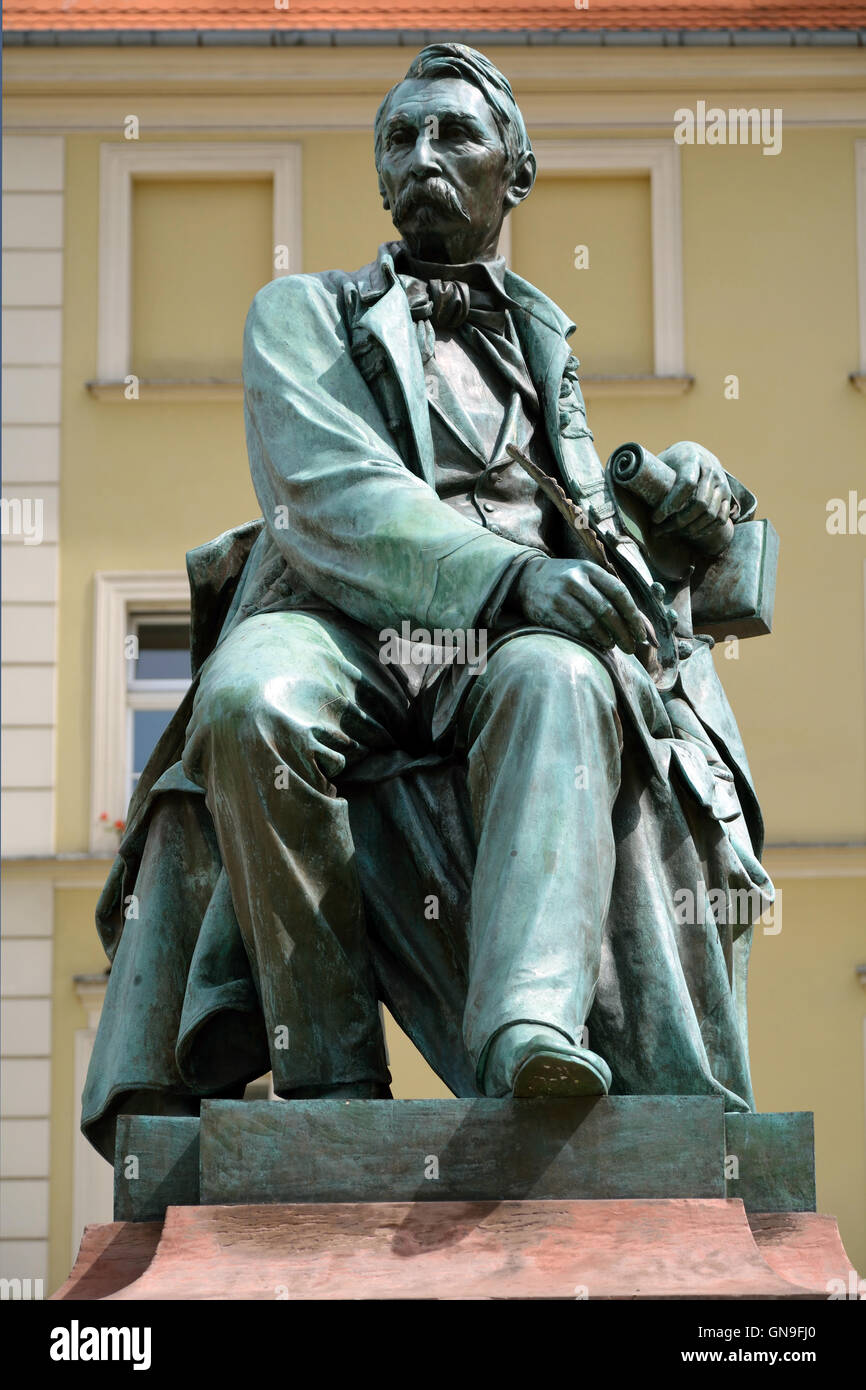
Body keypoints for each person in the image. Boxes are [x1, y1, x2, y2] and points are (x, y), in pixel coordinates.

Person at [82, 45, 774, 1159]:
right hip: (342, 618)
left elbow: (584, 522)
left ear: (518, 168)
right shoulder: (302, 311)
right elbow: (326, 494)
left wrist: (698, 491)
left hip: (507, 641)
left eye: (454, 134)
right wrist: (508, 578)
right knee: (251, 698)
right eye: (399, 140)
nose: (422, 158)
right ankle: (327, 1072)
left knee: (560, 674)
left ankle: (527, 1028)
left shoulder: (546, 348)